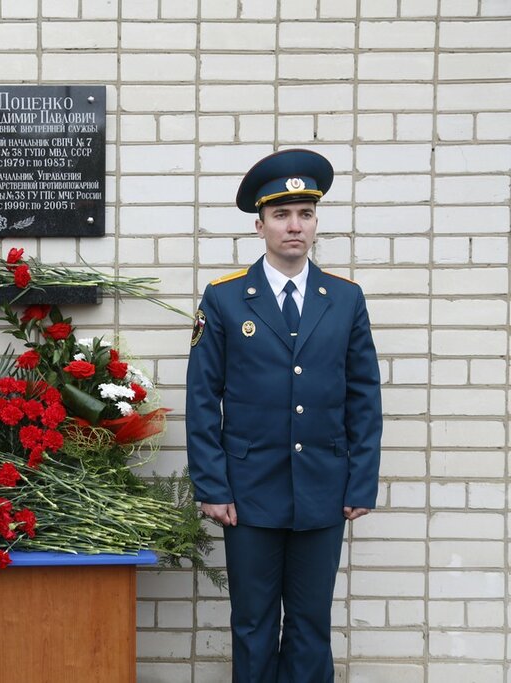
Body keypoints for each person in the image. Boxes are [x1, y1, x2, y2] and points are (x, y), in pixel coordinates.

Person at [185, 148, 382, 682]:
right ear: (260, 224)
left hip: (323, 484)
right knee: (251, 621)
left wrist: (360, 482)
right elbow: (202, 397)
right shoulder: (225, 299)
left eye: (305, 213)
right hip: (247, 489)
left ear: (316, 222)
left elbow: (364, 394)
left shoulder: (344, 298)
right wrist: (212, 484)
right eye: (282, 214)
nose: (295, 226)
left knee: (311, 621)